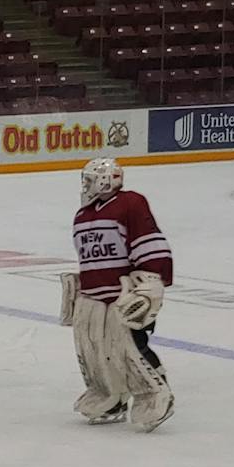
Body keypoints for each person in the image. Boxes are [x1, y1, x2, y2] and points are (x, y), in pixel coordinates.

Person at [63, 158, 174, 432]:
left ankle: (155, 394)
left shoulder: (130, 204)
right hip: (94, 298)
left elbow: (149, 244)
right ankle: (110, 397)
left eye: (89, 179)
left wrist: (150, 283)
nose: (85, 185)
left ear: (104, 180)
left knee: (129, 349)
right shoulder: (83, 215)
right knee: (97, 351)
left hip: (124, 297)